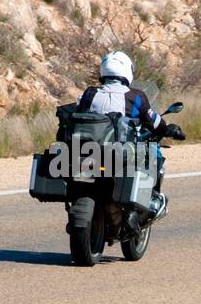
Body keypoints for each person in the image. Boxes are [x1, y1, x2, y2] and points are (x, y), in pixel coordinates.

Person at [76, 51, 184, 217]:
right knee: (150, 157)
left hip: (87, 150)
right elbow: (153, 122)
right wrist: (167, 129)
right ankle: (140, 208)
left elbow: (80, 113)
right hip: (120, 152)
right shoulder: (136, 96)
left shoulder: (90, 93)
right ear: (127, 71)